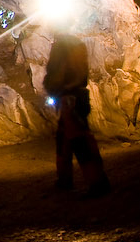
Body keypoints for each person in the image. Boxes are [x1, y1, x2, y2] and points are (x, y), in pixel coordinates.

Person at [43, 32, 111, 197]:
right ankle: (64, 181)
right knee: (64, 139)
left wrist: (54, 88)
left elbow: (59, 71)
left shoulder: (64, 46)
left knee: (80, 140)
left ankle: (97, 183)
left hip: (69, 97)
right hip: (75, 95)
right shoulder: (76, 44)